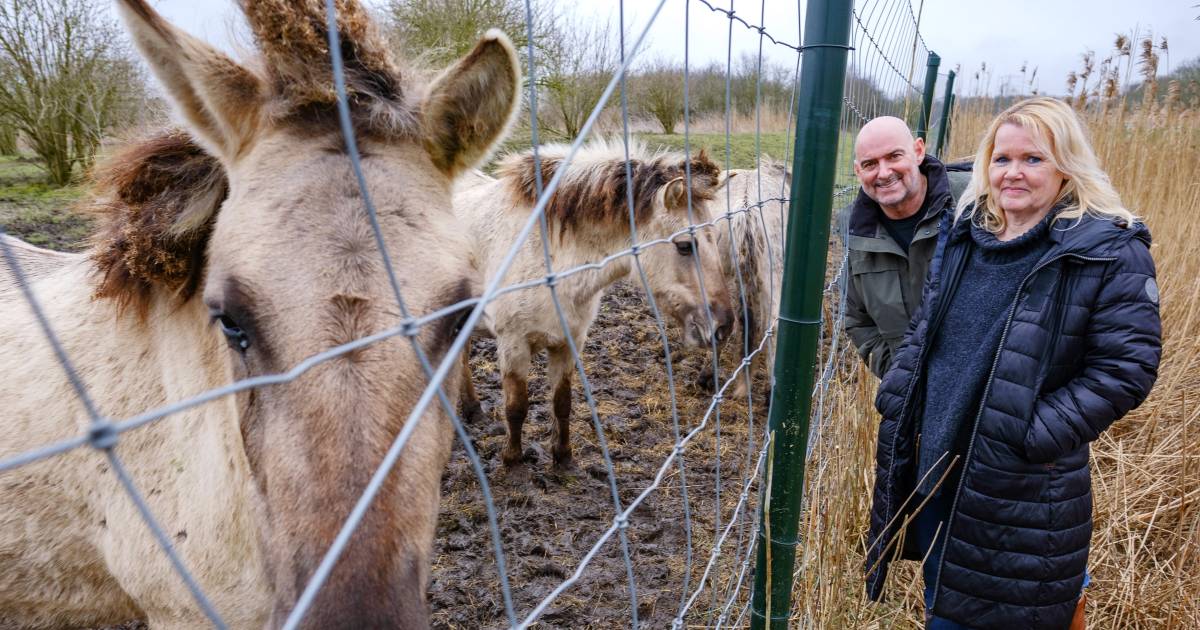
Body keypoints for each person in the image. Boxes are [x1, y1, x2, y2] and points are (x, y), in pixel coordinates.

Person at [864, 96, 1161, 629]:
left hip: (1017, 487)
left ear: (1066, 166)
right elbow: (927, 327)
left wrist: (1028, 433)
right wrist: (899, 391)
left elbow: (1126, 369)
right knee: (944, 602)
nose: (1013, 173)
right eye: (1002, 159)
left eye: (1033, 159)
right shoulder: (969, 232)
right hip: (938, 473)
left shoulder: (1108, 247)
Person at [843, 116, 970, 378]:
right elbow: (858, 321)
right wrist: (900, 375)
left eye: (894, 156)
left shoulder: (973, 204)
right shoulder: (856, 233)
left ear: (919, 151)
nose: (884, 172)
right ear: (858, 171)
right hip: (912, 399)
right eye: (870, 164)